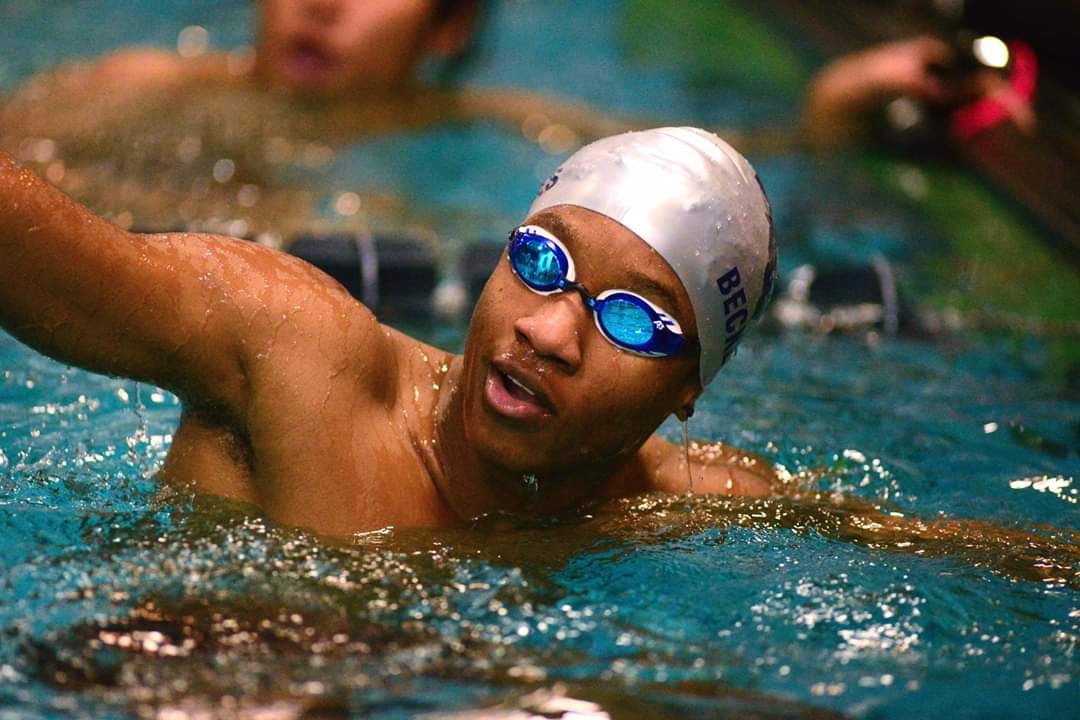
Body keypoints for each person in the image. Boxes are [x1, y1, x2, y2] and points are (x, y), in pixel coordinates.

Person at [0, 127, 779, 536]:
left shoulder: (693, 504)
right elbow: (44, 259)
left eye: (631, 318)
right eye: (541, 260)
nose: (547, 333)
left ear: (688, 388)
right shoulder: (295, 355)